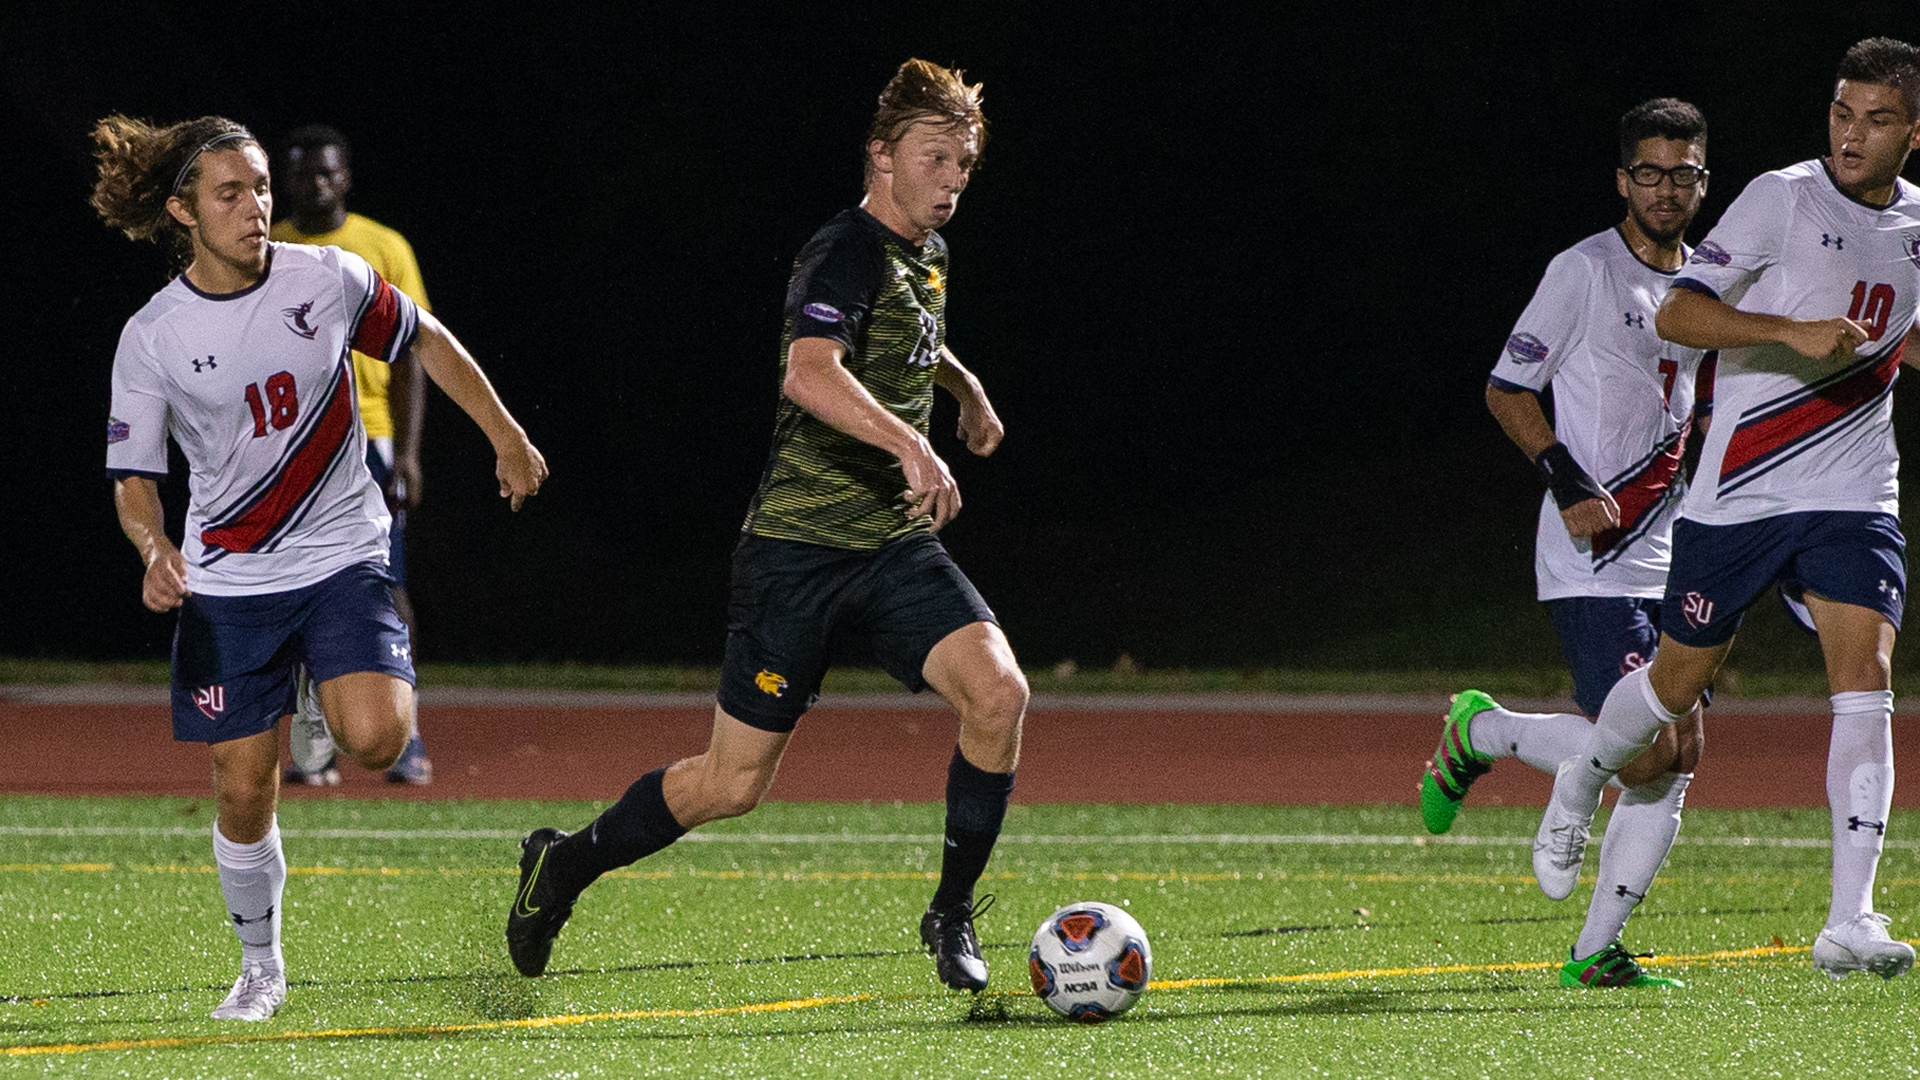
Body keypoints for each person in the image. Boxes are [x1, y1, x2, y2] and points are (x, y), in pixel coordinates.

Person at [505, 59, 1026, 993]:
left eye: (965, 164)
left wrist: (966, 389)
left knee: (999, 695)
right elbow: (811, 370)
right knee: (731, 785)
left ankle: (950, 915)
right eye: (936, 158)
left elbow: (909, 334)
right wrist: (913, 442)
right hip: (795, 554)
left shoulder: (926, 253)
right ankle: (567, 861)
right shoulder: (843, 249)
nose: (953, 180)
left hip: (892, 544)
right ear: (882, 156)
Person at [94, 114, 548, 1019]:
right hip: (230, 583)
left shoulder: (329, 278)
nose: (256, 206)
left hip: (342, 551)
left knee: (376, 741)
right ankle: (261, 966)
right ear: (183, 210)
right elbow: (134, 480)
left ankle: (314, 692)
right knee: (243, 785)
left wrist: (507, 434)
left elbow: (425, 340)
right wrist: (156, 549)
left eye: (260, 187)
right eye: (231, 192)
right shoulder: (152, 336)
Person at [1534, 37, 1920, 981]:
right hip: (1739, 495)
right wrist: (1788, 331)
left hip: (1852, 492)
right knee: (1671, 693)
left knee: (1866, 672)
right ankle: (1581, 775)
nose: (1851, 135)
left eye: (1874, 119)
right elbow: (1679, 313)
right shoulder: (1781, 198)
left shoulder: (1918, 227)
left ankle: (1850, 919)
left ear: (1914, 131)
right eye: (1840, 112)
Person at [1423, 99, 1715, 989]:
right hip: (1594, 549)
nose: (1666, 189)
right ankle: (1486, 731)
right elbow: (1507, 388)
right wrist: (1563, 474)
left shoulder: (1712, 286)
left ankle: (1595, 950)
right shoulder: (1583, 271)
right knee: (1650, 748)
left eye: (1684, 173)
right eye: (1650, 172)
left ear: (1704, 182)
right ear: (1623, 178)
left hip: (1679, 545)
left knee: (1680, 756)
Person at [270, 125, 434, 786]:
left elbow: (416, 354)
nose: (317, 184)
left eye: (327, 173)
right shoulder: (270, 246)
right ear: (289, 182)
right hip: (291, 446)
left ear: (346, 178)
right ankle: (316, 734)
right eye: (305, 174)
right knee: (299, 590)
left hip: (368, 438)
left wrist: (410, 452)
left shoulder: (382, 247)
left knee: (385, 585)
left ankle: (405, 731)